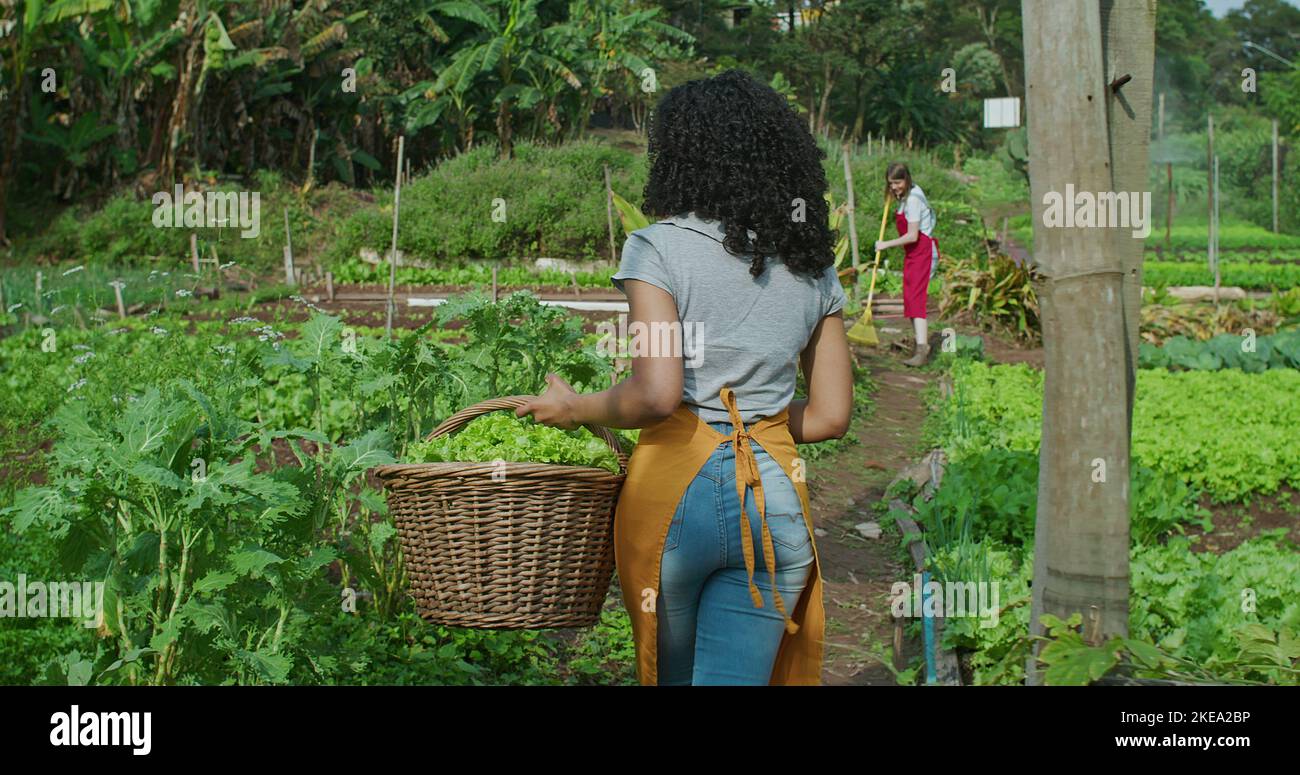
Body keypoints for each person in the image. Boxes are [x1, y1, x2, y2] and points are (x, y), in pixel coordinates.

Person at [515, 69, 853, 685]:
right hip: (775, 496)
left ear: (680, 156)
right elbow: (830, 416)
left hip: (676, 496)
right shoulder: (813, 265)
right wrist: (759, 423)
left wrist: (574, 408)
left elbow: (656, 394)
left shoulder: (659, 249)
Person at [874, 162, 939, 366]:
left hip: (923, 251)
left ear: (907, 179)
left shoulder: (913, 200)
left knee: (916, 299)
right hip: (913, 254)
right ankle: (920, 345)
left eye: (898, 182)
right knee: (910, 299)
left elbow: (912, 236)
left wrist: (885, 244)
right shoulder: (907, 196)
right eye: (891, 183)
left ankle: (922, 350)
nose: (894, 187)